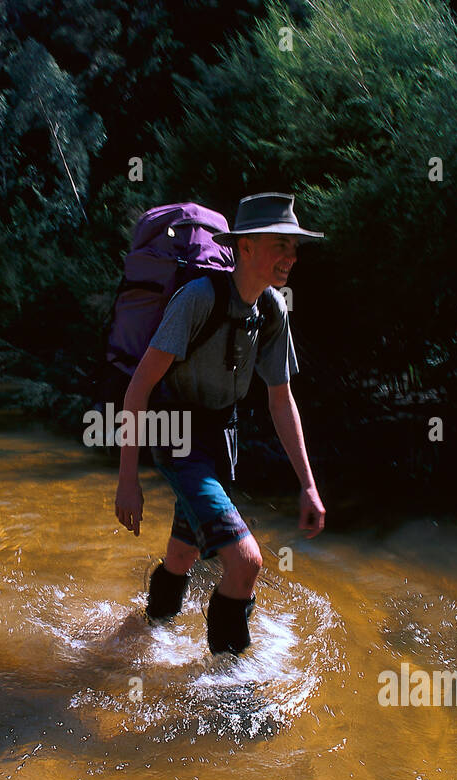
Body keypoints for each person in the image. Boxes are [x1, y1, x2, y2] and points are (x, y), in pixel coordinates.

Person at [114, 193, 326, 654]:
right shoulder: (197, 299)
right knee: (247, 562)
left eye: (294, 247)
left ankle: (144, 633)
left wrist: (307, 485)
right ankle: (230, 687)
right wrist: (128, 479)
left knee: (183, 554)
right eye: (280, 245)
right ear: (245, 247)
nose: (291, 257)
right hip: (177, 436)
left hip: (221, 439)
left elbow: (281, 400)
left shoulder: (272, 310)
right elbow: (138, 389)